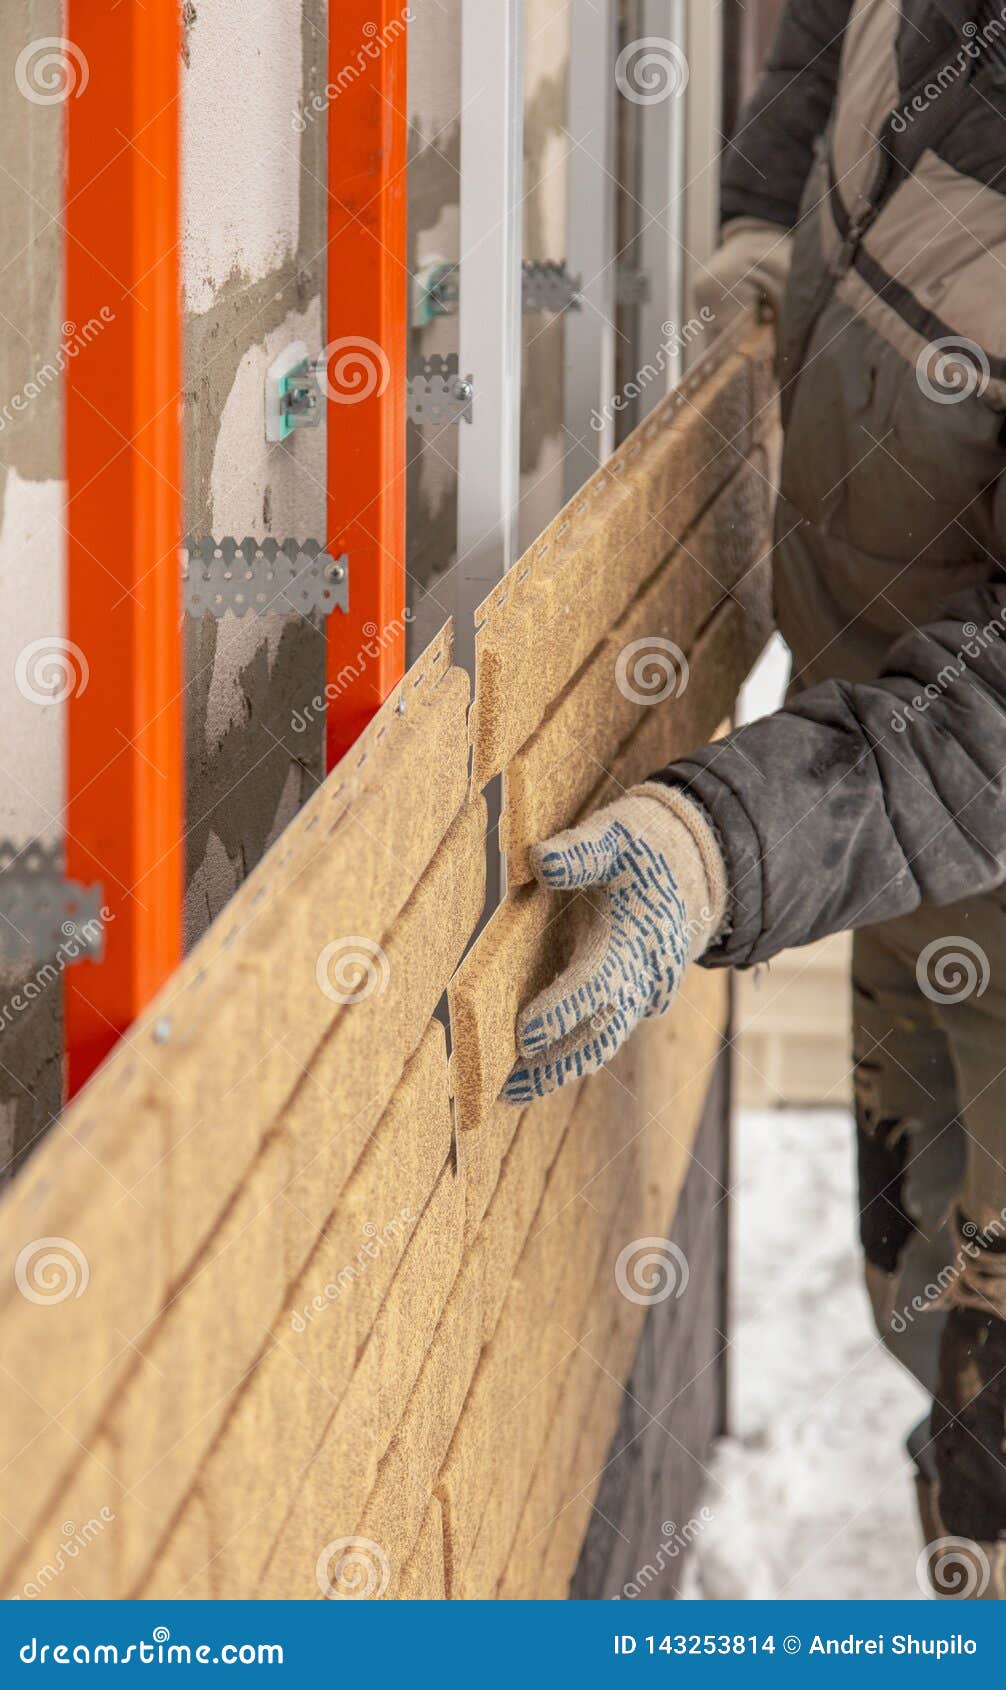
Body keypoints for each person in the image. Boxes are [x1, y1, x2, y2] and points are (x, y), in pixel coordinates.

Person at [505, 0, 1006, 1594]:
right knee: (923, 1279)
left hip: (937, 788)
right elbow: (825, 48)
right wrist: (756, 230)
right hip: (901, 838)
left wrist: (720, 842)